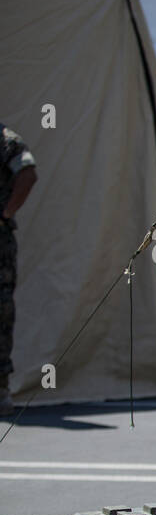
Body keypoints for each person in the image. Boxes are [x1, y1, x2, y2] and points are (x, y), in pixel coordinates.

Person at [0, 121, 38, 416]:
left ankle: (1, 389)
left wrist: (6, 212)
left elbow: (28, 173)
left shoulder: (6, 140)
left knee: (2, 315)